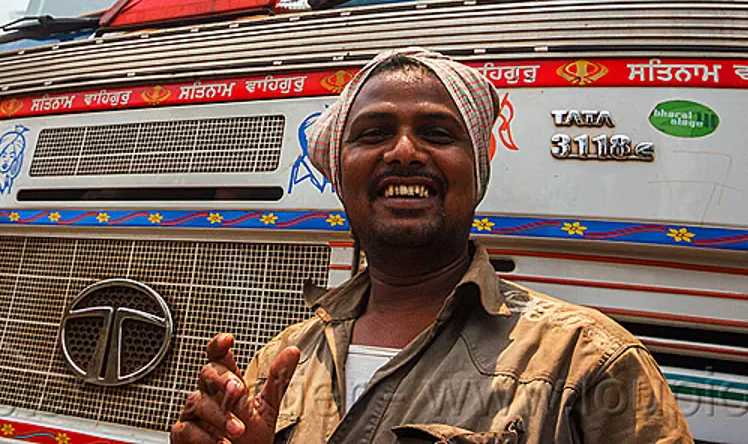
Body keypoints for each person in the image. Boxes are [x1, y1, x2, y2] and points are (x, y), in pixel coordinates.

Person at [173, 48, 692, 443]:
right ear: (339, 171)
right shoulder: (277, 363)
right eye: (373, 133)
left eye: (438, 133)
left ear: (477, 173)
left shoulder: (585, 359)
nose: (403, 152)